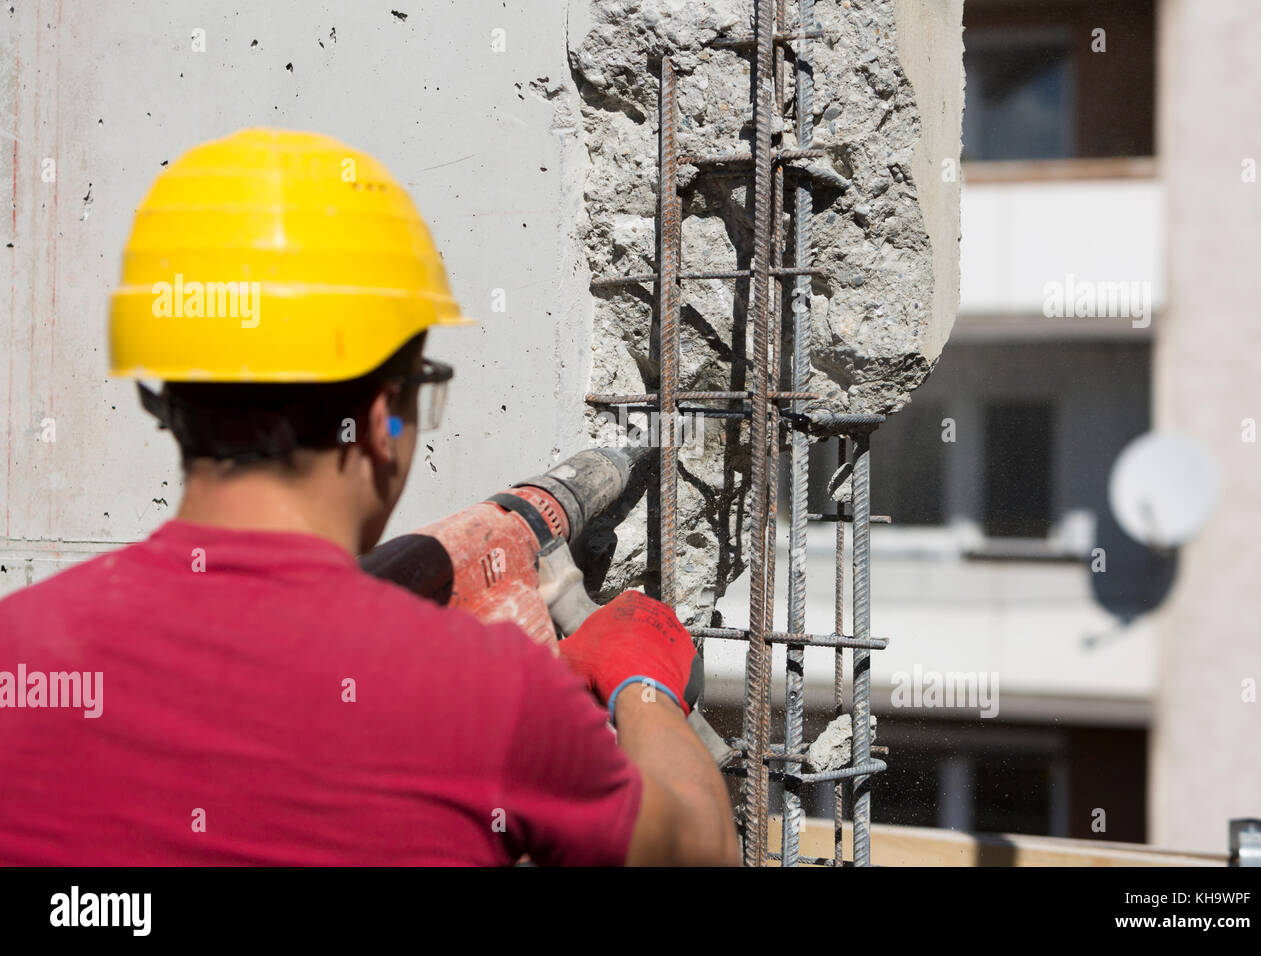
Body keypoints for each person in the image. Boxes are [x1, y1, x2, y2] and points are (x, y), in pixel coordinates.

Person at [0, 128, 738, 866]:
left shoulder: (20, 662)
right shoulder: (487, 701)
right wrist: (642, 682)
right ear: (384, 419)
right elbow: (698, 855)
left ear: (168, 399)